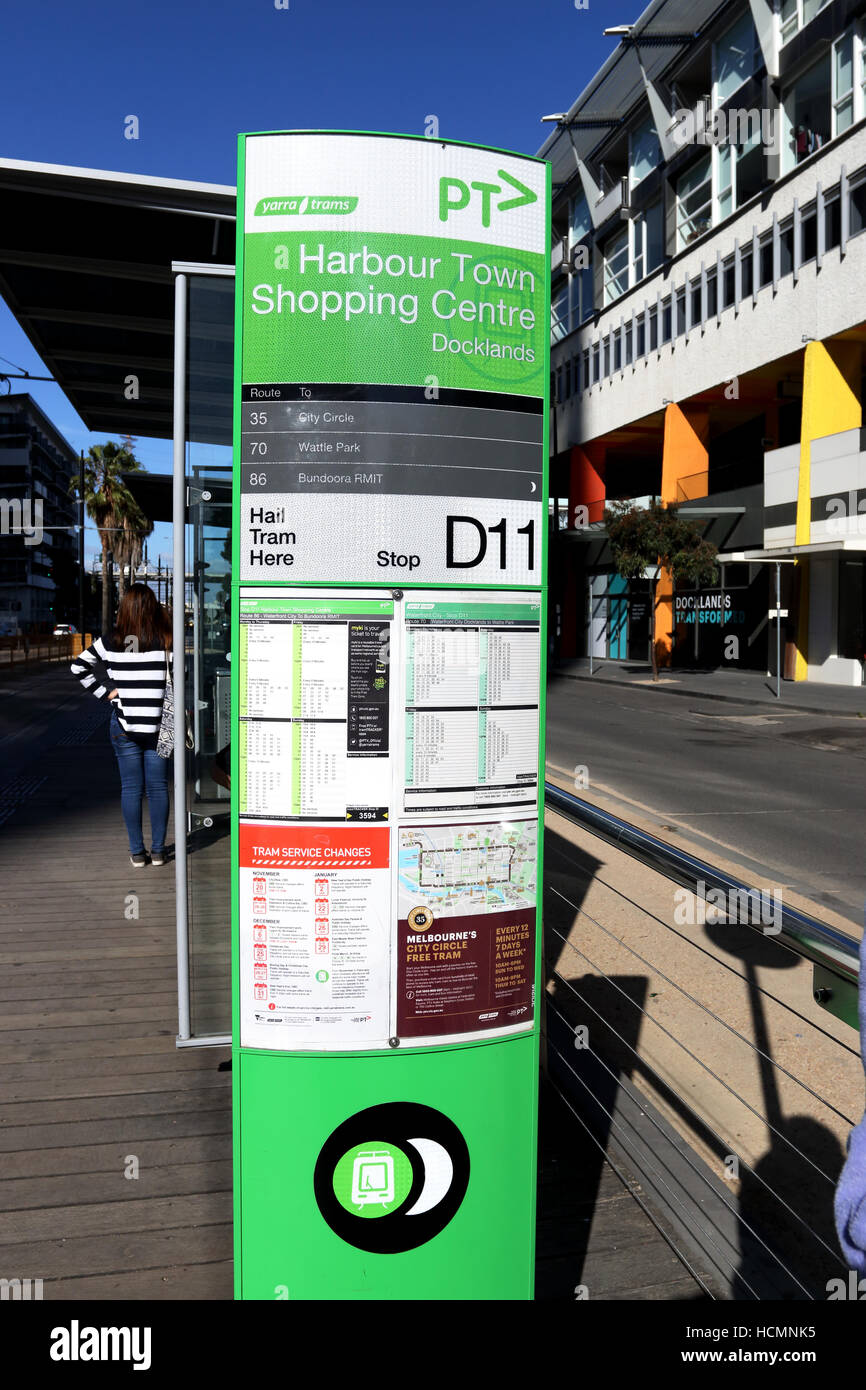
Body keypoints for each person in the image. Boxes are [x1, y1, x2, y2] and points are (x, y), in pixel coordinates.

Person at [71, 583, 173, 867]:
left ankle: (137, 853)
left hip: (124, 725)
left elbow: (78, 667)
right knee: (157, 788)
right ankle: (159, 851)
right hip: (158, 727)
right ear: (152, 608)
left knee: (131, 789)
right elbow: (177, 679)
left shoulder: (111, 641)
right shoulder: (166, 639)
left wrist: (107, 692)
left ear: (124, 609)